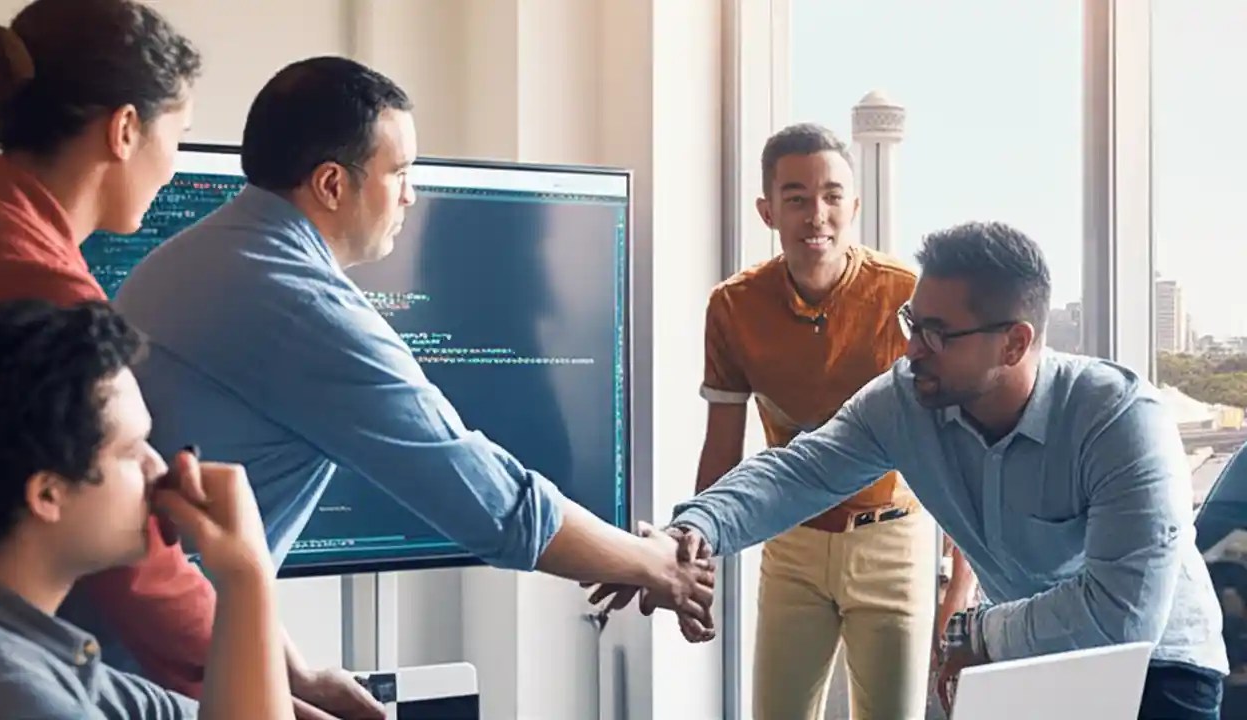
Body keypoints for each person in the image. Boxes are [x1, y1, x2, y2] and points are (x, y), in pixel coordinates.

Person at [110, 55, 717, 637]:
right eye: (399, 172)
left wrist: (295, 674)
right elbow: (494, 506)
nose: (410, 196)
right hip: (149, 665)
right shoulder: (304, 305)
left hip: (129, 629)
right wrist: (658, 566)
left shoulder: (197, 255)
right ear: (330, 184)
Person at [0, 3, 380, 717]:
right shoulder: (43, 292)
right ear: (126, 130)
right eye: (179, 137)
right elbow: (145, 575)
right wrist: (269, 680)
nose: (176, 165)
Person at [642, 221, 1227, 719]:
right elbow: (797, 472)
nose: (913, 348)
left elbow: (1121, 617)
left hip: (1159, 665)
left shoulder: (1119, 418)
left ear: (1014, 344)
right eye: (911, 323)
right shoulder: (906, 400)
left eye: (937, 334)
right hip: (1025, 662)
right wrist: (694, 529)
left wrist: (975, 632)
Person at [684, 123, 939, 718]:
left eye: (831, 196)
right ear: (767, 210)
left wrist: (962, 584)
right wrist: (696, 559)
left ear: (854, 205)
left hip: (894, 539)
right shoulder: (733, 306)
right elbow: (721, 448)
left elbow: (952, 442)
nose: (815, 214)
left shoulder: (906, 296)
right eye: (796, 198)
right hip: (792, 543)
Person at [0, 299, 293, 719]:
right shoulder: (6, 692)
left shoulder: (37, 656)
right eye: (131, 450)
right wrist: (247, 578)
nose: (158, 467)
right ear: (48, 495)